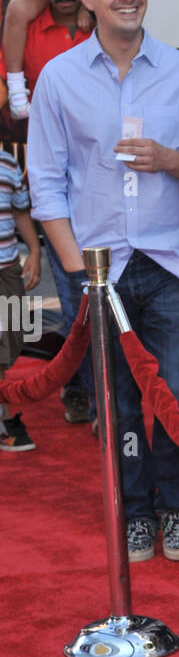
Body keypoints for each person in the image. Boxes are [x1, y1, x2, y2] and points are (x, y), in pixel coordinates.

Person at [27, 0, 179, 563]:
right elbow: (45, 184)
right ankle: (136, 512)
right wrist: (79, 271)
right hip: (99, 270)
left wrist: (169, 160)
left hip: (172, 263)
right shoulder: (59, 78)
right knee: (120, 402)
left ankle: (176, 510)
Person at [0, 0, 94, 425]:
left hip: (102, 180)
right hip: (52, 181)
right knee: (77, 290)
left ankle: (105, 394)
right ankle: (78, 388)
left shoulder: (104, 27)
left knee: (105, 291)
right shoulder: (27, 24)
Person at [0, 147, 39, 450]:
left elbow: (20, 211)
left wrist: (35, 251)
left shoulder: (8, 162)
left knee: (12, 337)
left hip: (8, 268)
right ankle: (5, 416)